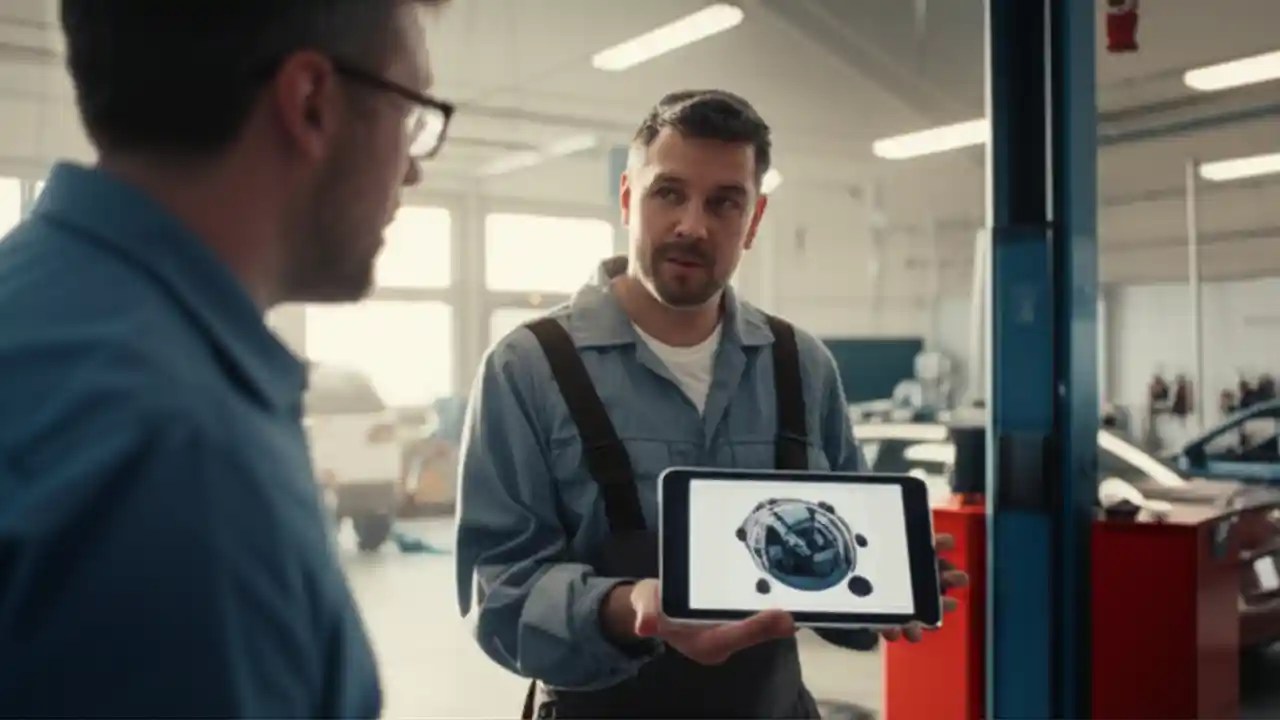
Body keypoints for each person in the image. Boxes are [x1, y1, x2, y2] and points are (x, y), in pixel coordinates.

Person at [0, 1, 452, 716]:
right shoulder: (181, 456)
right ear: (310, 103)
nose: (414, 171)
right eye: (411, 112)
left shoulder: (32, 312)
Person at [454, 89, 967, 719]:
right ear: (626, 199)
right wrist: (627, 608)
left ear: (753, 221)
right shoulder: (528, 368)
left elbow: (836, 573)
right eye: (668, 192)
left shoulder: (801, 366)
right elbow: (499, 595)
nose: (692, 225)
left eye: (724, 202)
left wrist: (887, 588)